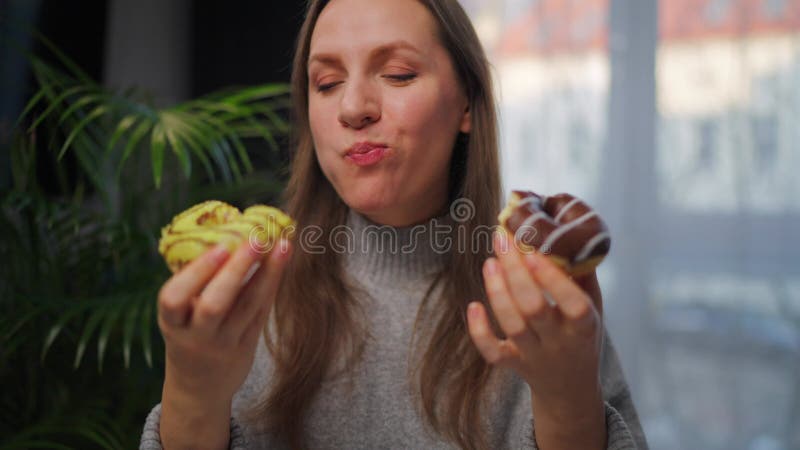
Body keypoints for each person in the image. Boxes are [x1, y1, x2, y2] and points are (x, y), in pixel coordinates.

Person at [141, 0, 649, 449]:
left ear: (467, 104)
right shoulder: (239, 297)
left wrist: (567, 403)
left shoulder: (543, 305)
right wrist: (191, 392)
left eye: (399, 74)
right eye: (327, 82)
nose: (354, 108)